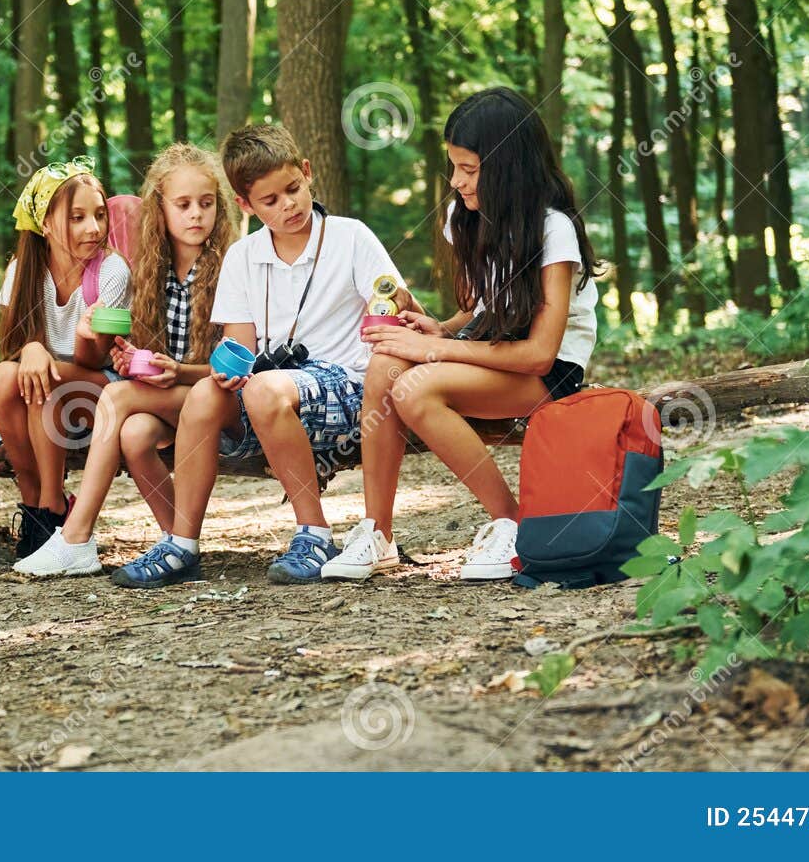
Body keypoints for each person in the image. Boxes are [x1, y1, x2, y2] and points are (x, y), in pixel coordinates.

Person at [112, 124, 419, 588]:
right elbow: (240, 351)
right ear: (244, 205)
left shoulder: (349, 237)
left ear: (308, 174)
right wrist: (225, 373)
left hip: (347, 387)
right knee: (203, 397)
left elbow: (397, 305)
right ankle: (181, 544)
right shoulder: (243, 257)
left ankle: (314, 535)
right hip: (271, 390)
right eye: (270, 201)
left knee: (264, 388)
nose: (288, 205)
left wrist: (394, 306)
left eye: (292, 189)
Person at [322, 87, 600, 582]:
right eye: (454, 167)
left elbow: (539, 354)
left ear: (510, 168)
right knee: (388, 364)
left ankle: (513, 523)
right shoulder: (464, 218)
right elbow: (479, 308)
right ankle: (377, 532)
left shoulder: (553, 229)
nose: (457, 182)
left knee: (413, 385)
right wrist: (439, 326)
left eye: (469, 171)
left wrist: (435, 347)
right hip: (490, 352)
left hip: (549, 373)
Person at [14, 145, 236, 577]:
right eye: (184, 205)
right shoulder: (152, 270)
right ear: (160, 209)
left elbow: (239, 365)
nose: (196, 215)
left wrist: (181, 372)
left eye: (206, 204)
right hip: (172, 402)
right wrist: (133, 357)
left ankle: (75, 537)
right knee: (134, 434)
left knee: (115, 397)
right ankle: (181, 545)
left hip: (223, 400)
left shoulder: (232, 266)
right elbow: (148, 352)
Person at [0, 156, 129, 558]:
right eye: (78, 217)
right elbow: (12, 348)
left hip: (102, 388)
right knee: (3, 376)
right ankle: (33, 499)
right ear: (46, 223)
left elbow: (95, 359)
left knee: (43, 381)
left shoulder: (112, 271)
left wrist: (51, 350)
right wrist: (31, 345)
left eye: (100, 215)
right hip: (46, 387)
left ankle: (53, 508)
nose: (94, 228)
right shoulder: (24, 270)